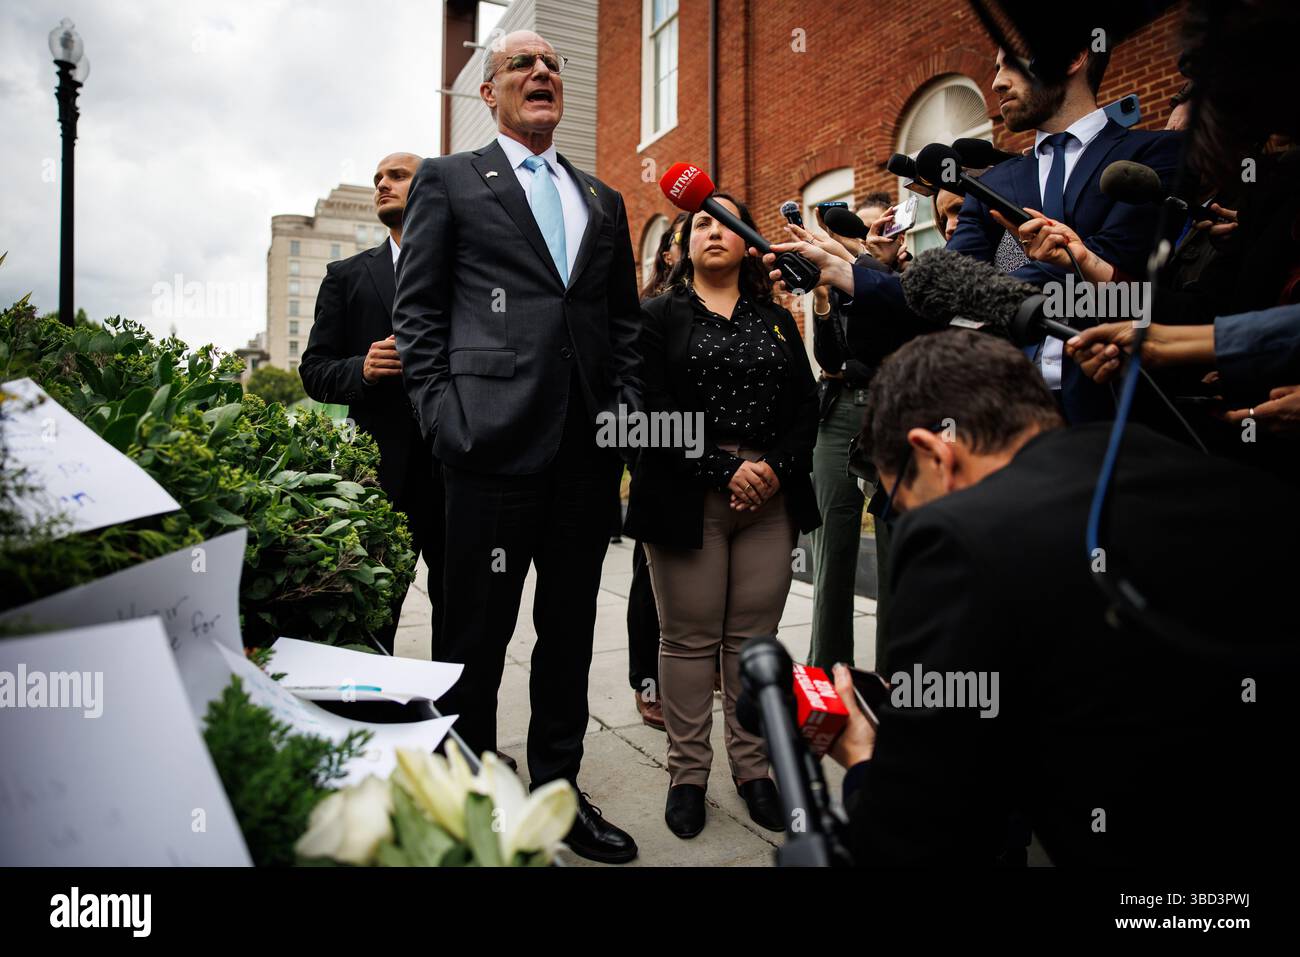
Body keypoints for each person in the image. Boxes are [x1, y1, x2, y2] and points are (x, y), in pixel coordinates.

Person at [824, 329, 1297, 866]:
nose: (913, 520)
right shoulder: (1188, 464)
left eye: (907, 504)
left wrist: (865, 757)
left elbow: (917, 835)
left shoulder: (958, 538)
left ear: (932, 452)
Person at [391, 30, 643, 864]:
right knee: (473, 640)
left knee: (568, 635)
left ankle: (558, 799)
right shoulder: (450, 180)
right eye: (520, 67)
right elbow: (418, 312)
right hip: (487, 450)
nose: (541, 74)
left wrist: (625, 417)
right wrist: (442, 418)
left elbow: (622, 327)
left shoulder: (602, 200)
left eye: (551, 66)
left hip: (584, 459)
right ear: (489, 94)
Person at [624, 193, 820, 839]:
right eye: (699, 222)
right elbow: (649, 411)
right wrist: (722, 469)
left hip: (770, 497)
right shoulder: (655, 316)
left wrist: (773, 469)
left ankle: (754, 769)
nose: (711, 229)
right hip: (687, 495)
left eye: (724, 221)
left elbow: (806, 408)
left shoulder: (776, 320)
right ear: (681, 247)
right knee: (687, 638)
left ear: (746, 242)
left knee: (752, 641)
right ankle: (687, 774)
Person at [299, 152, 442, 657]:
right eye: (377, 178)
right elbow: (314, 371)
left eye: (397, 176)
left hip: (458, 472)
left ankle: (456, 730)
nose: (382, 184)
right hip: (380, 478)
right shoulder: (346, 276)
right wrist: (359, 368)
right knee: (374, 614)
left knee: (464, 616)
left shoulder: (466, 273)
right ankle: (371, 723)